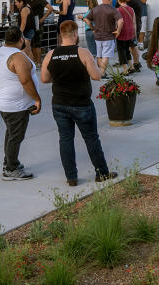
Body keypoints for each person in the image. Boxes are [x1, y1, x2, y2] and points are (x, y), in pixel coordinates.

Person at [40, 20, 116, 186]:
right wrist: (100, 67)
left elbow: (44, 79)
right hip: (81, 104)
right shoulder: (83, 53)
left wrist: (60, 76)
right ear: (75, 34)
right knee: (91, 139)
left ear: (61, 35)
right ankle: (102, 173)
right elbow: (96, 76)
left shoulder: (50, 54)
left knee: (65, 139)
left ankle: (71, 177)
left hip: (59, 103)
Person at [0, 27, 42, 180]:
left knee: (11, 134)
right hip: (17, 105)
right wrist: (37, 99)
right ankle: (10, 169)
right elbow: (25, 80)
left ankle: (9, 162)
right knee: (16, 137)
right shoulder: (17, 57)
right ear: (21, 38)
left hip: (3, 101)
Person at [88, 0, 121, 73]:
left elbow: (86, 19)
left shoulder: (95, 9)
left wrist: (92, 28)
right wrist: (118, 31)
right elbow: (121, 20)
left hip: (97, 36)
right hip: (108, 37)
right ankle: (102, 73)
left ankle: (100, 72)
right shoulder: (113, 9)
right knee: (106, 55)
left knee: (99, 55)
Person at [116, 0, 140, 73]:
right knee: (127, 49)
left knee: (121, 51)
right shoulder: (131, 9)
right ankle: (131, 66)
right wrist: (135, 34)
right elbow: (134, 23)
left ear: (119, 0)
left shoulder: (118, 10)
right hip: (130, 31)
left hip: (122, 31)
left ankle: (125, 70)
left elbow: (118, 22)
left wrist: (117, 31)